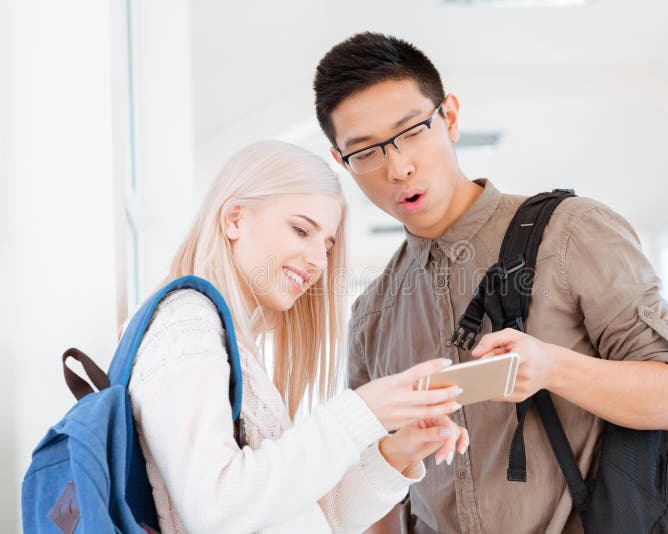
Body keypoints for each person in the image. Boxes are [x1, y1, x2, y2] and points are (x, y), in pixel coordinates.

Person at [314, 33, 668, 533]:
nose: (398, 167)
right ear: (341, 162)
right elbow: (376, 488)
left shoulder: (571, 231)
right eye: (365, 152)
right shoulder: (372, 312)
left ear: (449, 117)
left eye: (412, 131)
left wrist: (551, 367)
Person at [127, 140, 469, 533]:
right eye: (301, 229)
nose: (319, 262)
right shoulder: (186, 324)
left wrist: (396, 452)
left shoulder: (226, 340)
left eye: (327, 245)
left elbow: (305, 520)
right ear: (234, 219)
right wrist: (361, 411)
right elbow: (216, 509)